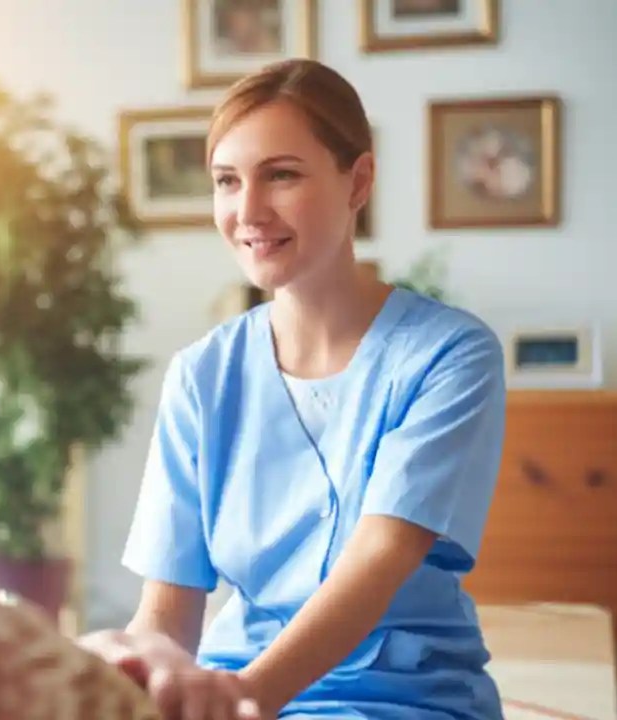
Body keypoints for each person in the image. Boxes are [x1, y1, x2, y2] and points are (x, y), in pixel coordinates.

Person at [79, 58, 507, 719]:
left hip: (402, 700)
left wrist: (246, 700)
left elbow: (378, 559)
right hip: (230, 691)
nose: (247, 211)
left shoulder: (449, 356)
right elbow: (167, 611)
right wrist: (134, 683)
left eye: (280, 175)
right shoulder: (202, 376)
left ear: (357, 180)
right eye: (227, 181)